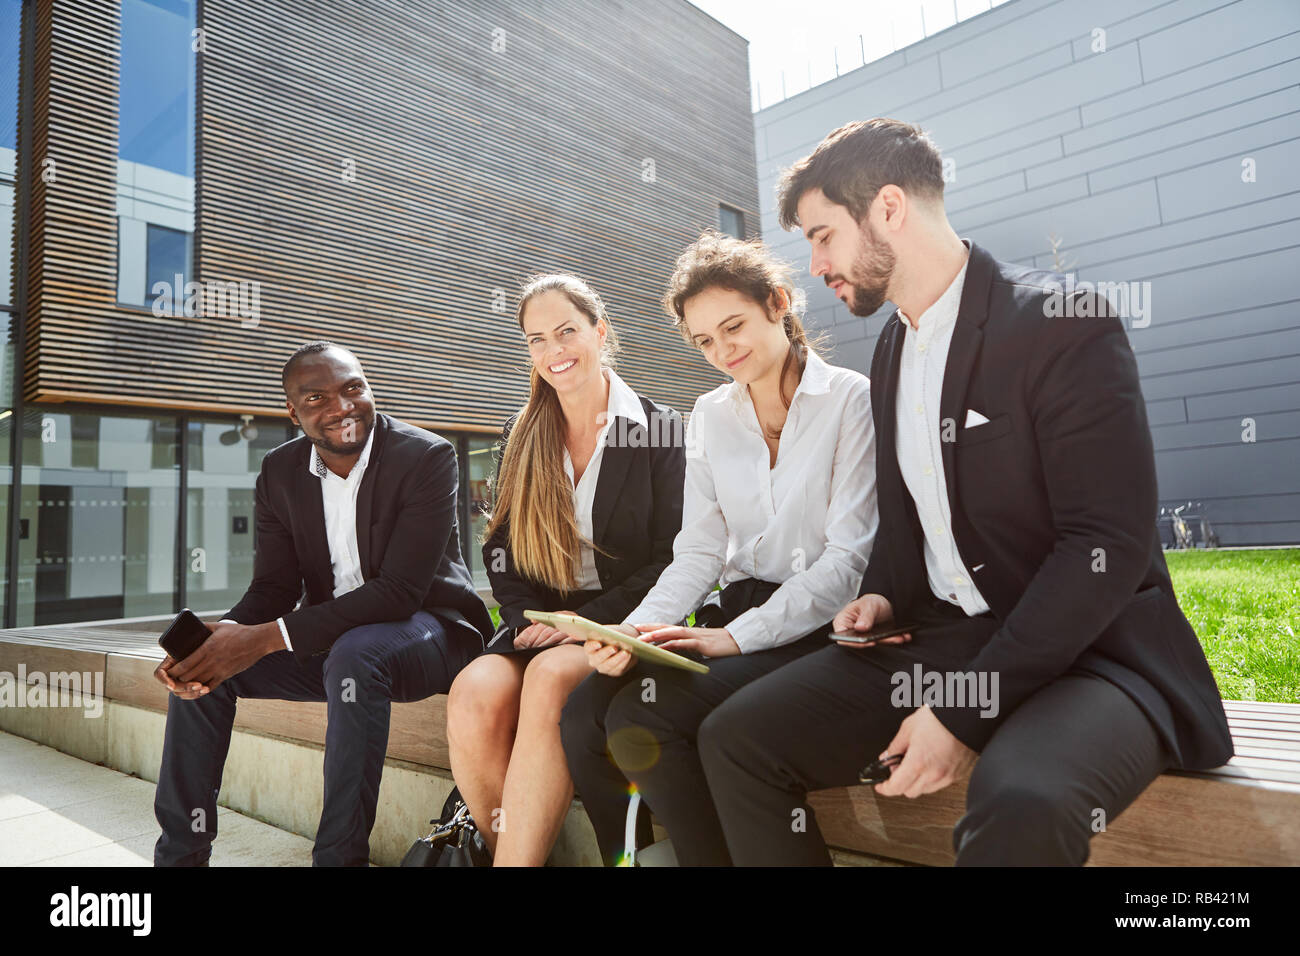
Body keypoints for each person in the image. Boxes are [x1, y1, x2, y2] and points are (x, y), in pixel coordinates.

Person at [698, 118, 1235, 866]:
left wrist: (959, 710)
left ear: (888, 208)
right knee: (738, 737)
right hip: (952, 637)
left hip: (1093, 651)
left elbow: (1103, 547)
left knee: (1024, 802)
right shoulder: (891, 346)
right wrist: (883, 594)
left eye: (823, 235)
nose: (814, 263)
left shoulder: (1059, 324)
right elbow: (907, 517)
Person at [559, 231, 879, 866]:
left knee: (644, 722)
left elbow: (848, 563)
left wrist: (733, 639)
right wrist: (634, 633)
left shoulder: (851, 399)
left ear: (778, 303)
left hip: (812, 623)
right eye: (705, 341)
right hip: (734, 610)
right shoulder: (707, 415)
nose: (723, 350)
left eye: (733, 327)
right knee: (581, 715)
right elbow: (698, 553)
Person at [153, 341, 493, 867]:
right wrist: (224, 639)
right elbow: (273, 587)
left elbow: (401, 591)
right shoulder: (279, 472)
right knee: (205, 674)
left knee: (357, 653)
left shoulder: (425, 456)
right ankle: (180, 857)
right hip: (334, 645)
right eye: (316, 398)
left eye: (352, 387)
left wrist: (264, 637)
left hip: (432, 636)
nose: (341, 407)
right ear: (293, 412)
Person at [446, 274, 685, 866]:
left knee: (551, 676)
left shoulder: (661, 430)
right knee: (473, 692)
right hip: (539, 623)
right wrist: (532, 614)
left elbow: (675, 556)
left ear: (601, 332)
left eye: (566, 331)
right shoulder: (520, 431)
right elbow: (497, 546)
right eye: (535, 340)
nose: (553, 351)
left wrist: (584, 622)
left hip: (626, 623)